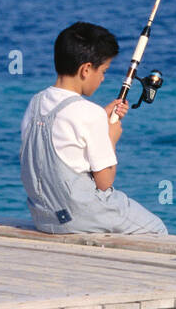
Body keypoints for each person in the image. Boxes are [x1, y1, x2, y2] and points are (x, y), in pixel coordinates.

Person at [20, 21, 168, 236]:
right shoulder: (90, 113)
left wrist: (101, 117)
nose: (103, 78)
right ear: (86, 69)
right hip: (81, 215)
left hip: (44, 217)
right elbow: (105, 182)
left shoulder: (35, 103)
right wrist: (111, 138)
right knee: (157, 230)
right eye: (104, 71)